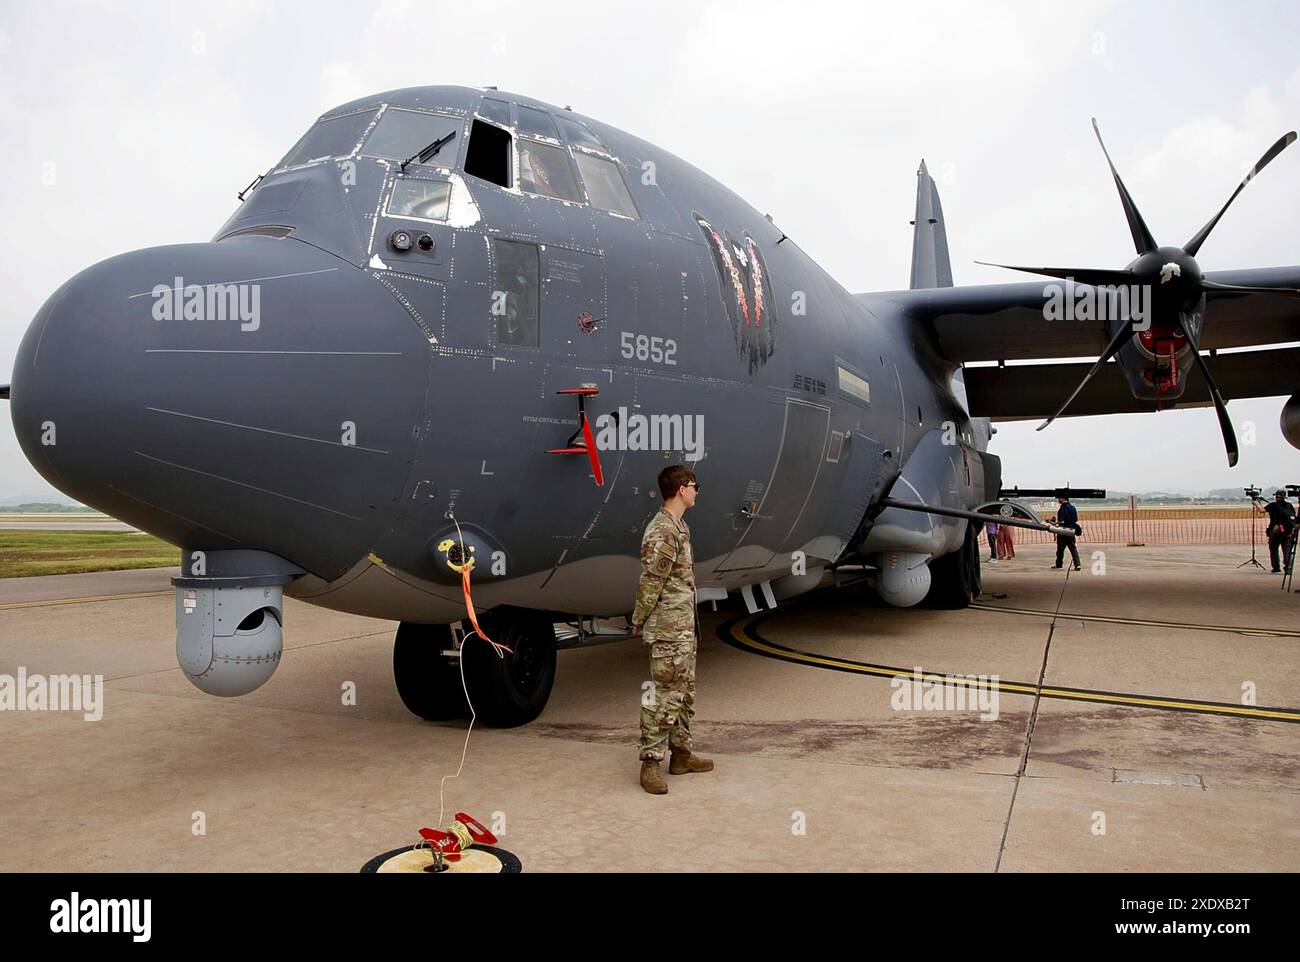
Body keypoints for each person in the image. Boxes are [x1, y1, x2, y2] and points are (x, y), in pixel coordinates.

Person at [630, 464, 712, 794]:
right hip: (667, 628)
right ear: (681, 489)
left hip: (682, 626)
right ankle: (651, 762)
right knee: (663, 695)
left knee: (684, 693)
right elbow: (651, 580)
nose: (696, 491)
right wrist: (639, 618)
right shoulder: (662, 530)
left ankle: (681, 755)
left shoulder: (679, 528)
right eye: (695, 486)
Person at [1258, 489, 1296, 574]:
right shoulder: (1289, 505)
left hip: (1275, 531)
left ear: (1277, 496)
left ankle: (1276, 567)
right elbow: (1293, 518)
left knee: (1274, 549)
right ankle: (1288, 568)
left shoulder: (1273, 505)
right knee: (1287, 550)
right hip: (1287, 532)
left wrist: (1256, 503)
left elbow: (1261, 511)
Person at [1052, 495, 1081, 571]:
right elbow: (1075, 519)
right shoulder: (1073, 507)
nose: (1058, 499)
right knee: (1073, 548)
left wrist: (1055, 523)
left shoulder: (1062, 508)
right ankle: (1077, 565)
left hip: (1063, 531)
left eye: (1059, 498)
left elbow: (1061, 521)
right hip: (1071, 531)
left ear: (1063, 499)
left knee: (1060, 550)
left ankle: (1059, 565)